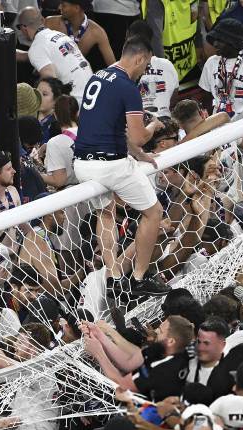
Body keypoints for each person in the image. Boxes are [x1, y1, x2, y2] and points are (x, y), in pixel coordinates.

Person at [73, 35, 170, 296]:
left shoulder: (98, 76)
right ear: (139, 58)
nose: (144, 71)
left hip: (82, 164)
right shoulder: (128, 88)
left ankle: (114, 275)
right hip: (111, 165)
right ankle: (139, 278)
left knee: (106, 213)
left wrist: (136, 153)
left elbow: (97, 122)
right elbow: (139, 135)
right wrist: (153, 126)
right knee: (153, 213)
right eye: (146, 65)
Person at [17, 7, 93, 103]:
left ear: (24, 28)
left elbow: (52, 84)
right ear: (42, 20)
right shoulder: (61, 36)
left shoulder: (36, 48)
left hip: (76, 102)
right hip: (93, 94)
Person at [199, 20, 243, 121]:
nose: (215, 44)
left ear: (232, 42)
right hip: (217, 128)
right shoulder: (211, 63)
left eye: (219, 40)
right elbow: (206, 97)